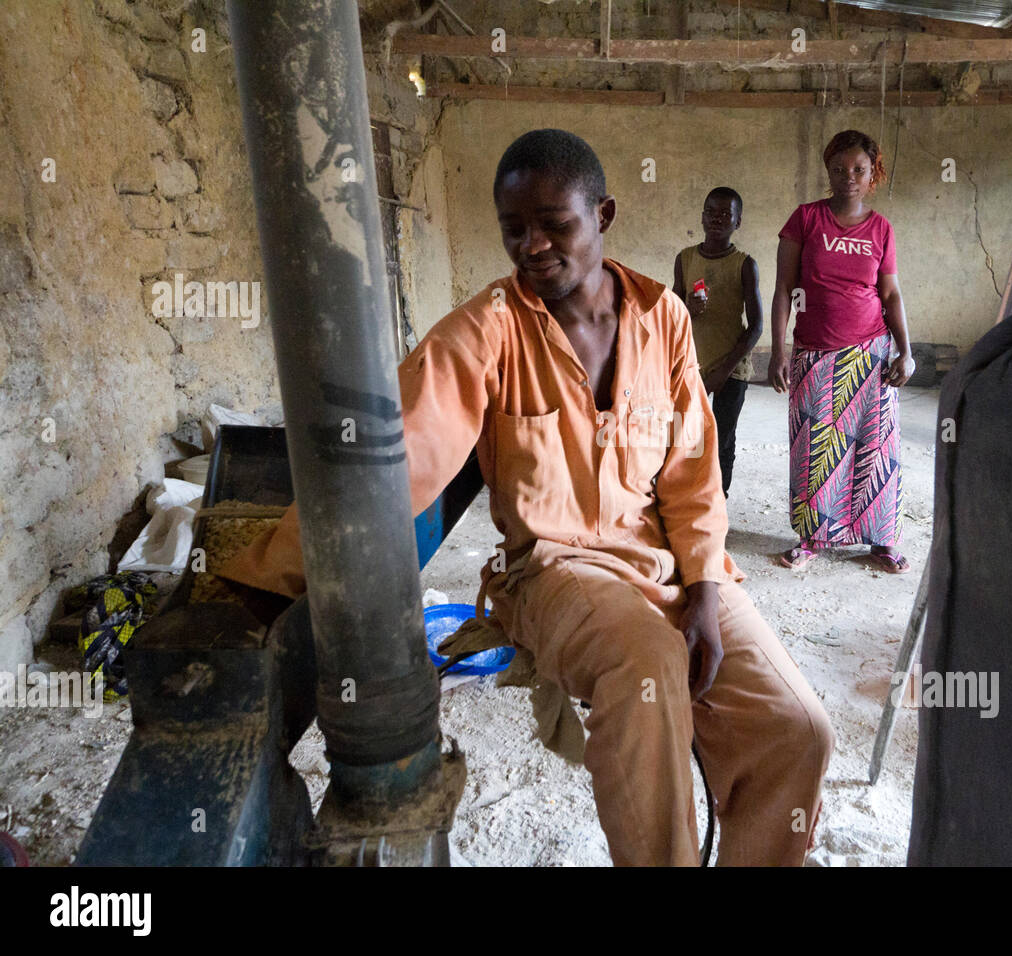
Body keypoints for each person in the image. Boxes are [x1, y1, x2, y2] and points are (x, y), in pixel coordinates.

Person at [221, 129, 834, 867]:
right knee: (646, 671)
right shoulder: (488, 332)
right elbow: (388, 465)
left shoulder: (664, 320)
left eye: (555, 224)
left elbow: (693, 471)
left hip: (671, 565)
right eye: (514, 229)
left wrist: (703, 586)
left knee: (797, 729)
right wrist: (266, 581)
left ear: (603, 215)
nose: (532, 246)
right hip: (556, 570)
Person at [769, 129, 914, 574]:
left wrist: (905, 352)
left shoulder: (881, 228)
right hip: (815, 352)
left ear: (874, 174)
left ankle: (881, 540)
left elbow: (890, 295)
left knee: (876, 449)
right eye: (839, 169)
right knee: (816, 447)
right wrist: (778, 350)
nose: (848, 177)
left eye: (859, 170)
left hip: (872, 353)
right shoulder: (806, 220)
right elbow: (783, 289)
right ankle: (812, 537)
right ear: (828, 172)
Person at [671, 187, 763, 497]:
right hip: (691, 365)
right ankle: (684, 498)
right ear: (702, 217)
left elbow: (756, 326)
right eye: (711, 212)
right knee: (684, 435)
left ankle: (715, 500)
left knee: (723, 438)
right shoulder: (685, 259)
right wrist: (688, 309)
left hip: (731, 369)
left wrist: (725, 370)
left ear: (738, 221)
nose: (717, 219)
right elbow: (671, 316)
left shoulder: (744, 264)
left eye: (726, 214)